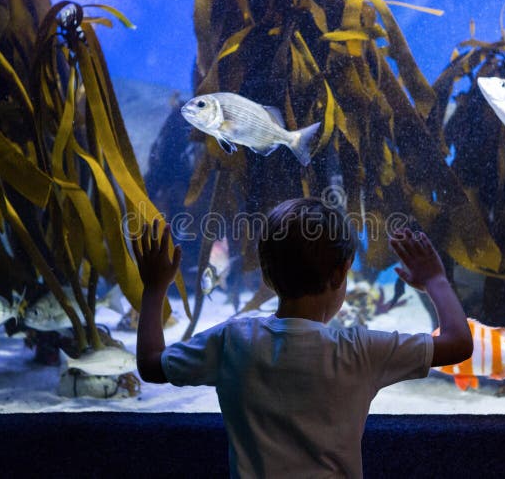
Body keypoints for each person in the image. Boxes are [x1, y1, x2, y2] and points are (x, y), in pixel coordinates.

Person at [135, 198, 473, 478]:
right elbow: (458, 343)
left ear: (266, 276)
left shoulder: (232, 341)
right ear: (341, 272)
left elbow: (151, 365)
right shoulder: (361, 351)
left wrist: (154, 289)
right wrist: (436, 281)